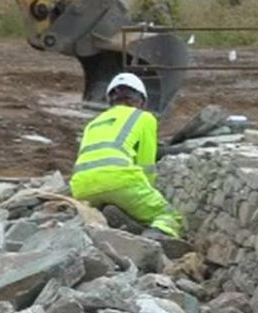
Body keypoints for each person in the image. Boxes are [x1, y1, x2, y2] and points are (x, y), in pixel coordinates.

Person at [69, 73, 187, 247]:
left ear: (110, 101)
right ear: (141, 101)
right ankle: (147, 244)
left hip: (82, 189)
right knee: (169, 217)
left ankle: (109, 215)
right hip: (120, 181)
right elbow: (146, 163)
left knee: (113, 199)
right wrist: (148, 191)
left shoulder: (92, 123)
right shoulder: (144, 118)